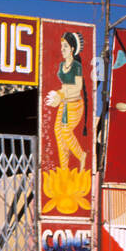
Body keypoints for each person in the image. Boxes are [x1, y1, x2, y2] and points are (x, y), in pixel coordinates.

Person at [45, 31, 88, 172]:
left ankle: (81, 156)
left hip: (74, 104)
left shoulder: (76, 66)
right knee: (57, 131)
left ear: (73, 49)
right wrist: (59, 96)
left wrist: (61, 94)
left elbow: (78, 87)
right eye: (61, 46)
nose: (62, 49)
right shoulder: (61, 65)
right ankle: (64, 168)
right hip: (64, 103)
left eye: (65, 46)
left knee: (65, 132)